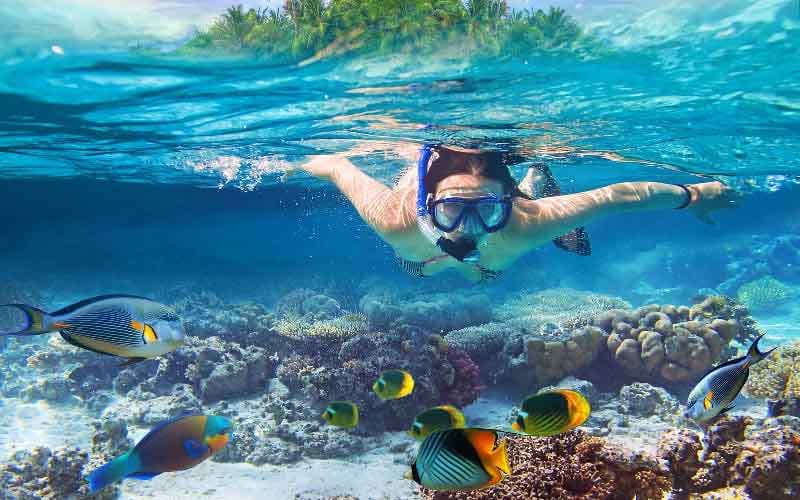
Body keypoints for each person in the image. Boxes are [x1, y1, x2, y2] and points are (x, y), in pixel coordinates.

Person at [298, 142, 738, 282]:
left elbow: (619, 195)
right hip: (420, 258)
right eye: (451, 208)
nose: (468, 228)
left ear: (504, 204)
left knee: (486, 271)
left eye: (487, 209)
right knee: (417, 267)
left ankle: (532, 181)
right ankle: (527, 185)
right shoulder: (396, 218)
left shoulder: (525, 222)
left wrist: (695, 195)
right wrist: (291, 162)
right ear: (427, 204)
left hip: (498, 249)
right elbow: (337, 165)